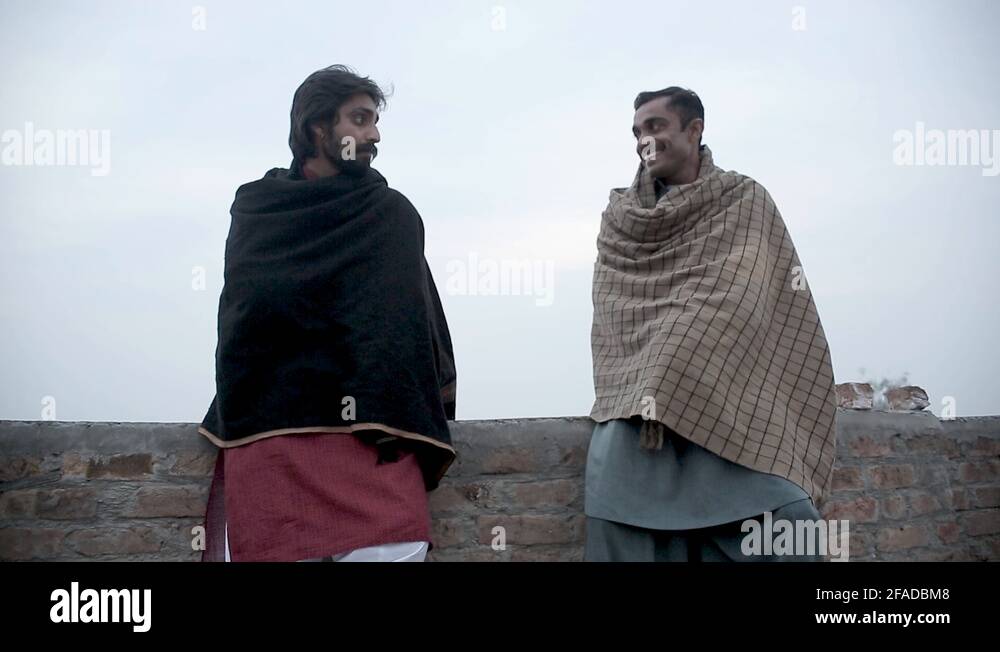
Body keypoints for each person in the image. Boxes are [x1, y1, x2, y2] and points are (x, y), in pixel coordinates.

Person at [199, 65, 457, 562]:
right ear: (318, 128)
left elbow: (408, 333)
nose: (374, 135)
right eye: (359, 119)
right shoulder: (259, 212)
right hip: (273, 455)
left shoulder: (391, 216)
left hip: (375, 456)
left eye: (375, 121)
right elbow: (245, 328)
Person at [585, 86, 838, 562]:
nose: (644, 139)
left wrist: (682, 352)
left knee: (793, 529)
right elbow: (612, 308)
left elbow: (745, 296)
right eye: (638, 131)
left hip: (731, 408)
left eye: (656, 126)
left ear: (694, 130)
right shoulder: (621, 219)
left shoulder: (744, 200)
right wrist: (657, 363)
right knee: (615, 517)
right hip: (635, 414)